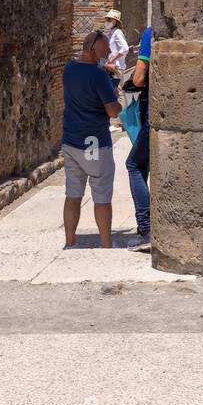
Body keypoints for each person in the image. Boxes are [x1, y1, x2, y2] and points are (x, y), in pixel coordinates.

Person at [61, 30, 122, 248]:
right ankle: (106, 244)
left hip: (70, 140)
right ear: (93, 49)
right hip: (94, 142)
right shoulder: (99, 76)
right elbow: (112, 111)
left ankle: (70, 241)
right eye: (105, 50)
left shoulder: (68, 68)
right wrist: (120, 103)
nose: (108, 54)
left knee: (73, 194)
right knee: (102, 195)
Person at [124, 25, 152, 249]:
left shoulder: (150, 33)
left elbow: (140, 78)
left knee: (134, 165)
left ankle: (146, 229)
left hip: (154, 111)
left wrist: (132, 81)